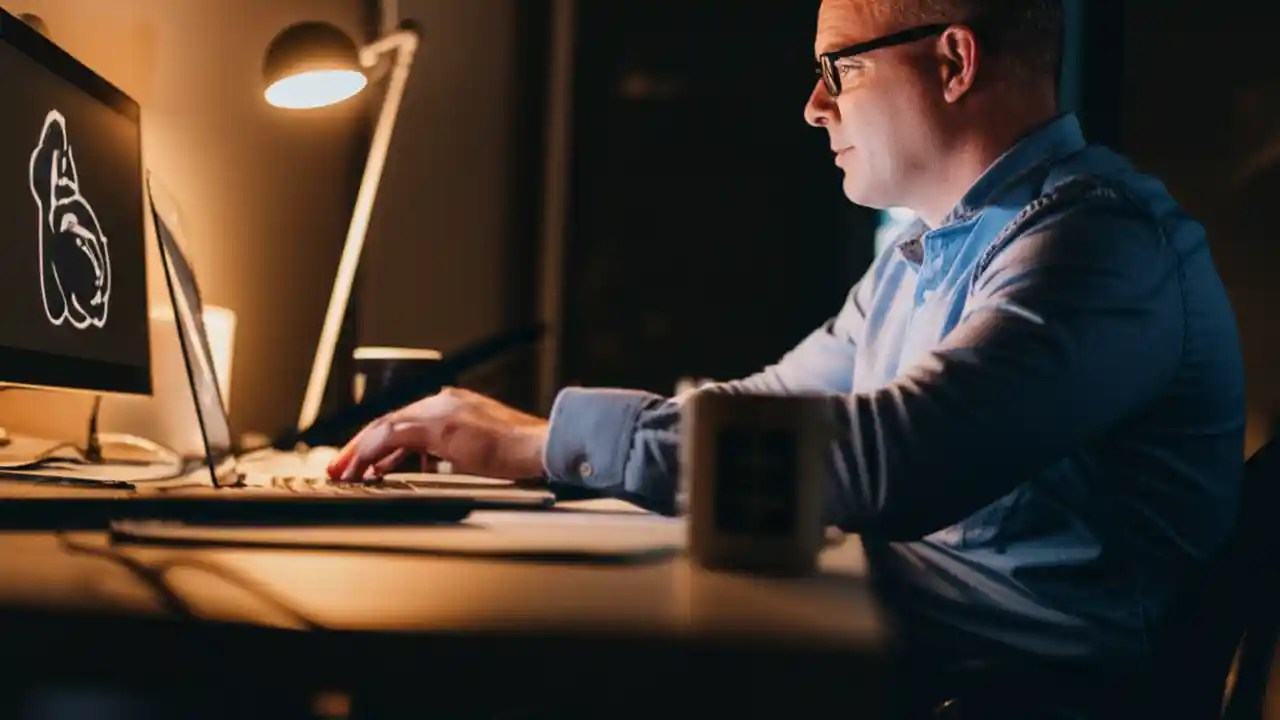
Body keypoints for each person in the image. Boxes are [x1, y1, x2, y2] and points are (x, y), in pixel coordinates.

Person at [329, 0, 1244, 709]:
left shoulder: (1097, 246)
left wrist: (544, 444)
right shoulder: (925, 259)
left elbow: (889, 459)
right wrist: (539, 448)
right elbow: (767, 403)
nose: (814, 107)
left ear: (954, 60)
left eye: (837, 69)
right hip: (906, 672)